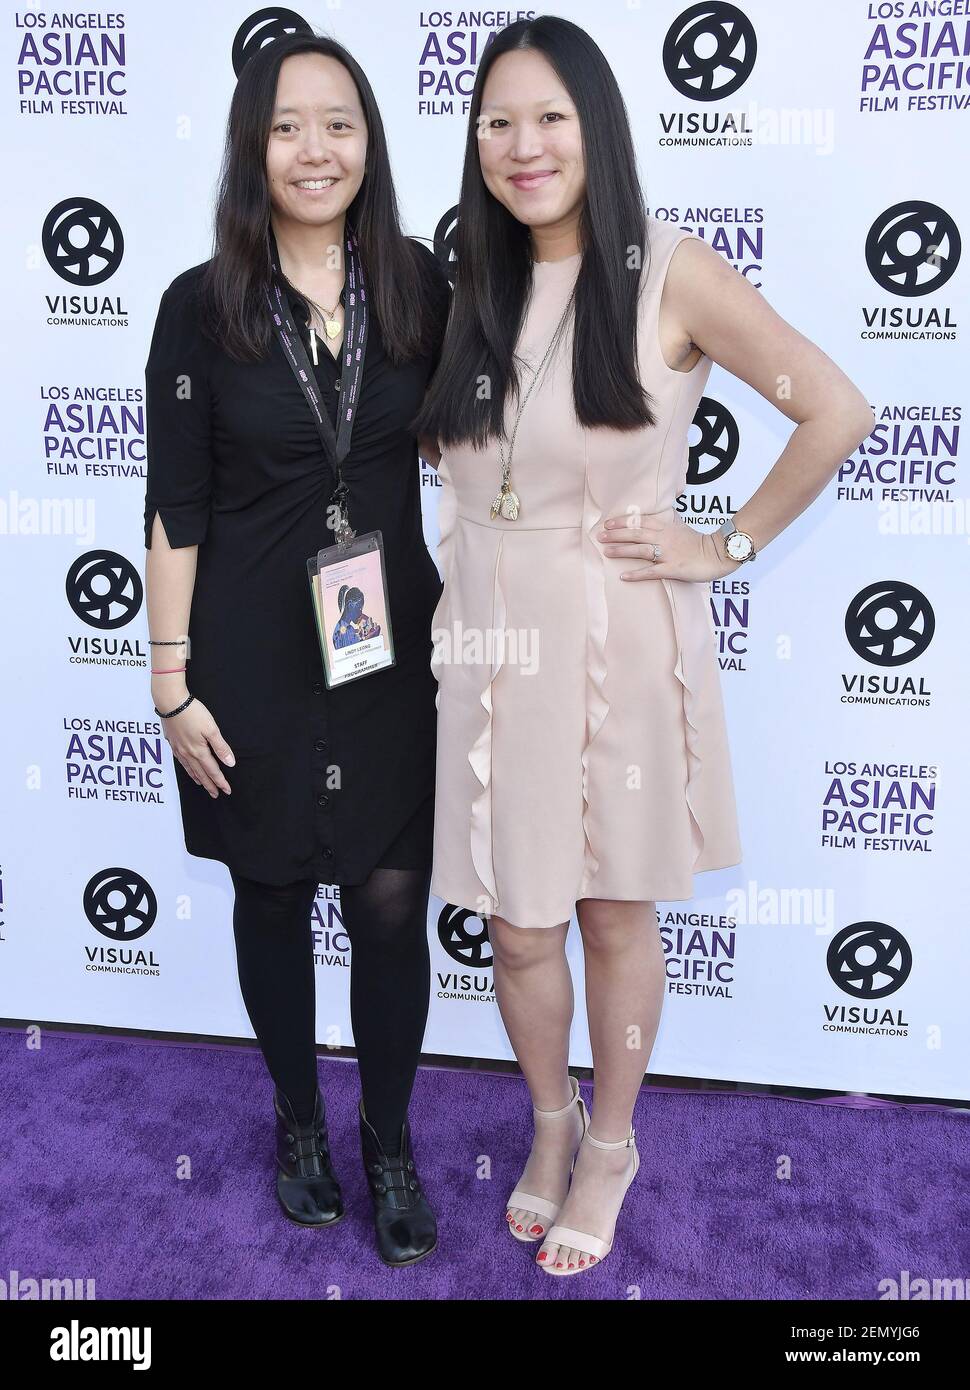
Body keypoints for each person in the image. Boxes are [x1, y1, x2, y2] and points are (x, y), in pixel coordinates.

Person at [415, 14, 875, 1278]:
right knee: (516, 929)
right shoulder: (465, 284)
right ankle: (550, 1127)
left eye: (551, 117)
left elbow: (834, 404)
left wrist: (722, 543)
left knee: (613, 914)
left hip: (615, 634)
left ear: (597, 129)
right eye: (499, 119)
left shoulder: (669, 269)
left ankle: (610, 1146)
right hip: (491, 646)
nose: (524, 145)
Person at [143, 32, 450, 1267]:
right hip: (250, 656)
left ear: (370, 140)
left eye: (338, 123)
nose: (314, 149)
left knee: (389, 904)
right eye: (285, 126)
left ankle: (387, 1140)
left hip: (388, 650)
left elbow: (494, 430)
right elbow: (175, 505)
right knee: (269, 892)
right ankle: (296, 1123)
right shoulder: (197, 304)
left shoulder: (422, 282)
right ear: (248, 146)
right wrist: (171, 680)